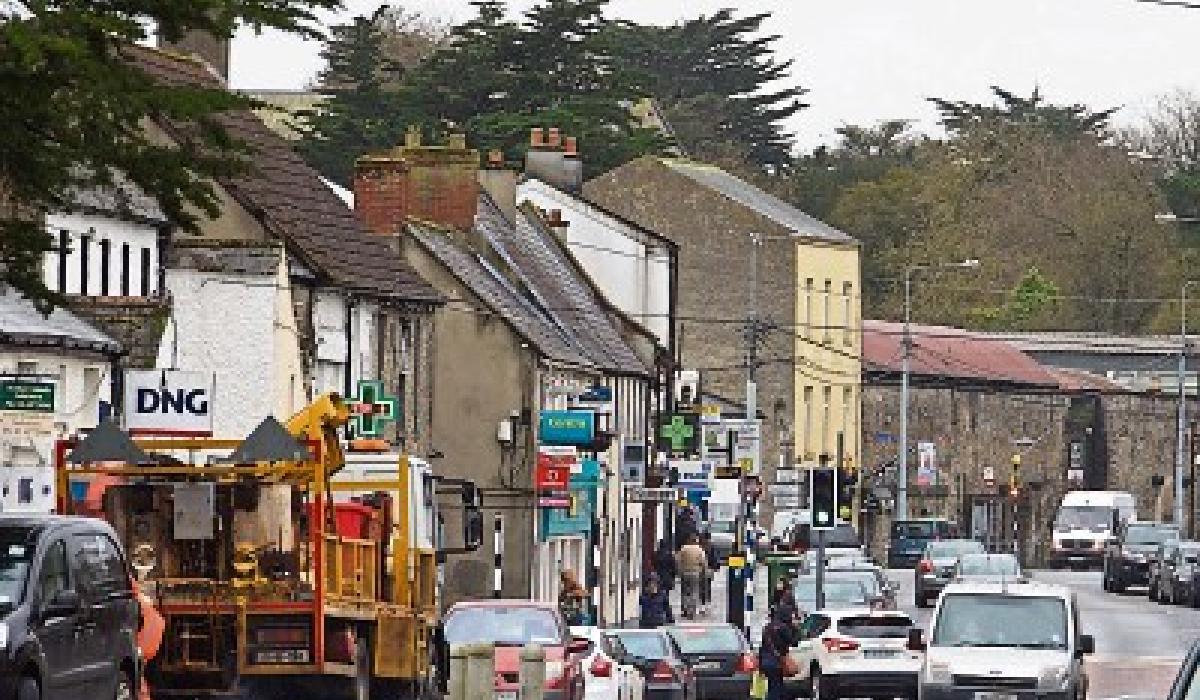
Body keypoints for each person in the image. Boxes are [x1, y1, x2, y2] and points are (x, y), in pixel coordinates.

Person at [759, 604, 798, 700]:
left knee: (772, 686)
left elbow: (763, 646)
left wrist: (759, 662)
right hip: (777, 662)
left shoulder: (767, 627)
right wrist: (795, 628)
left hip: (765, 661)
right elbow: (794, 642)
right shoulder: (783, 627)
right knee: (776, 687)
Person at [677, 534, 707, 619]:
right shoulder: (700, 550)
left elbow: (678, 560)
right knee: (694, 591)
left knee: (685, 592)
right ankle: (692, 610)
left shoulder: (683, 549)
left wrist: (680, 571)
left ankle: (685, 609)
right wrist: (703, 571)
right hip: (695, 573)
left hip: (685, 573)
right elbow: (704, 562)